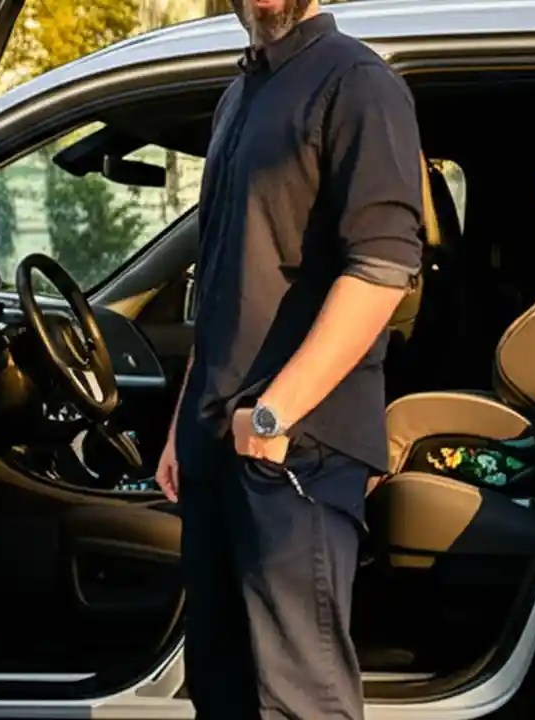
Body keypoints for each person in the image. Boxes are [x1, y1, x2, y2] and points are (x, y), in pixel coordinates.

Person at [153, 0, 424, 716]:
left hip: (297, 453)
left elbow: (382, 271)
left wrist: (273, 415)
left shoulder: (357, 83)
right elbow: (218, 279)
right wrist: (185, 419)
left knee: (298, 699)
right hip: (218, 442)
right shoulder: (239, 95)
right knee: (224, 688)